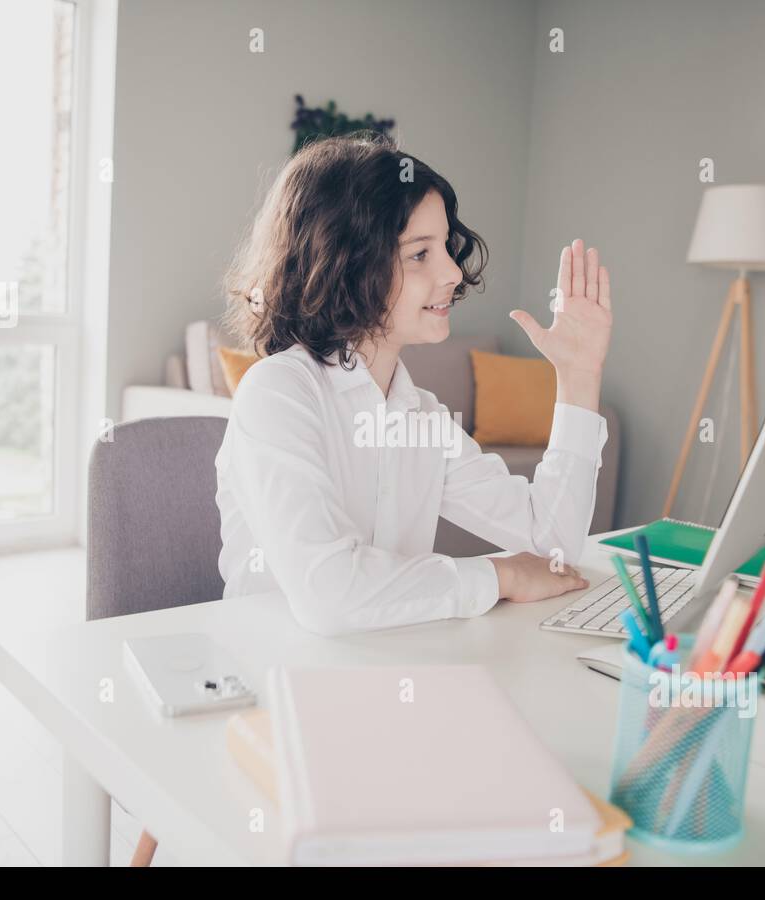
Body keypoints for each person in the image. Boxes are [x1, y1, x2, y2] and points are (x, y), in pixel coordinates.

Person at [215, 133, 613, 635]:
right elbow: (330, 596)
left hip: (392, 671)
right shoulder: (277, 395)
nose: (452, 272)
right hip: (276, 683)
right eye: (419, 254)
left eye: (445, 247)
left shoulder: (420, 415)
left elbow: (552, 541)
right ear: (347, 265)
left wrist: (579, 378)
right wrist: (499, 574)